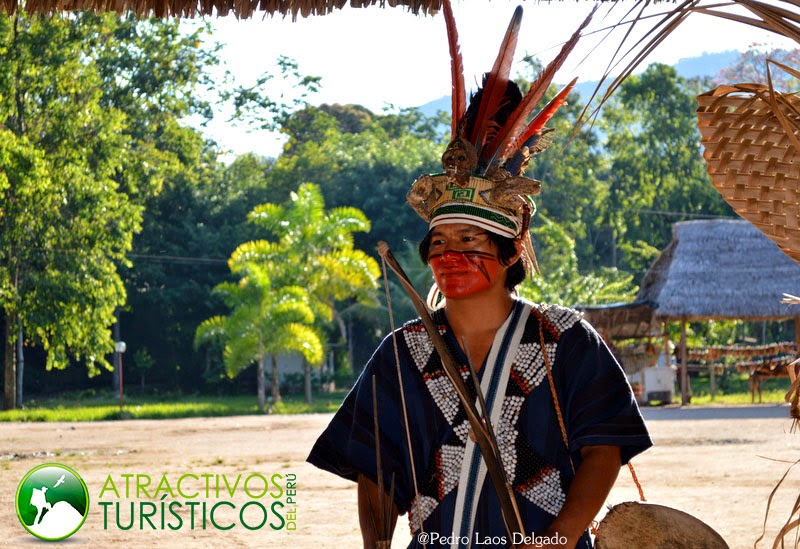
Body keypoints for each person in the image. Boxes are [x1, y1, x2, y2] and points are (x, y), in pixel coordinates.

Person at [307, 4, 652, 548]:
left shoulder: (566, 341)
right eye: (440, 243)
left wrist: (560, 538)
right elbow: (377, 470)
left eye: (470, 242)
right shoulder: (404, 352)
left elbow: (603, 451)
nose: (450, 255)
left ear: (510, 254)